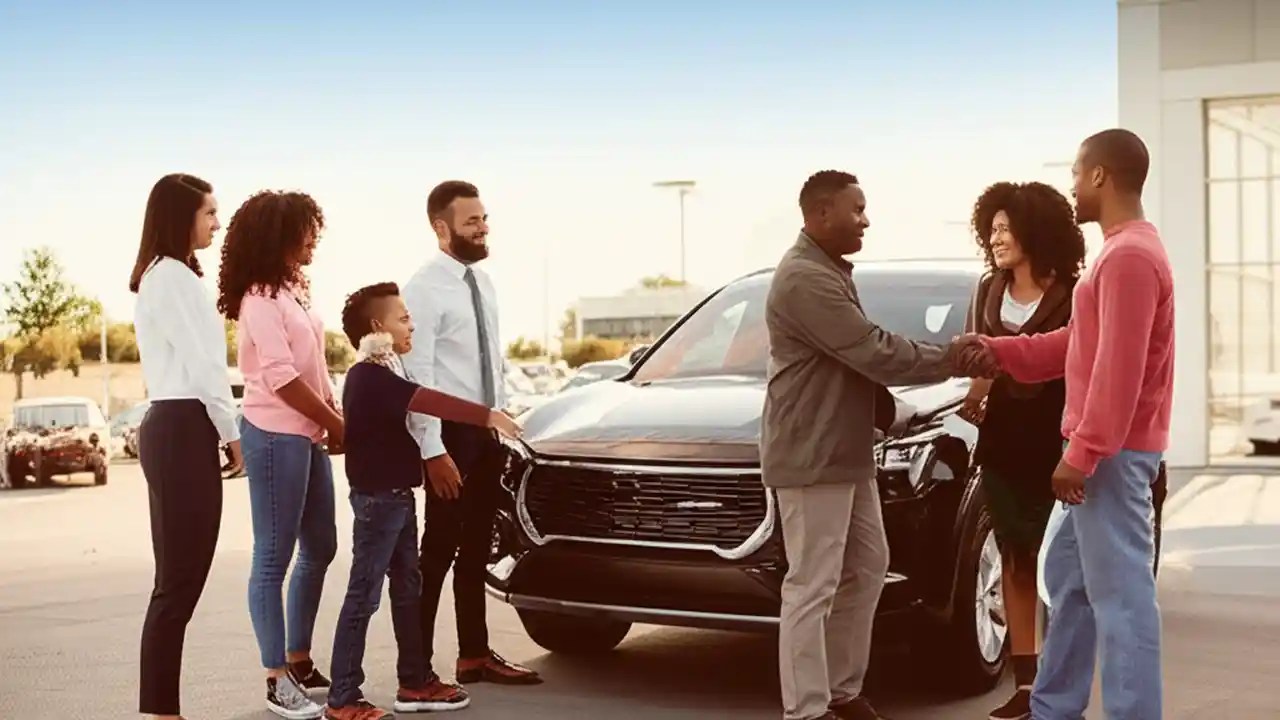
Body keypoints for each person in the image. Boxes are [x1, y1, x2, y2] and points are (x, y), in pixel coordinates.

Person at [761, 170, 990, 720]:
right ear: (821, 214)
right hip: (813, 455)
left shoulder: (829, 271)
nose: (866, 220)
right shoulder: (804, 279)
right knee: (811, 584)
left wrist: (889, 411)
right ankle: (806, 710)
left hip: (846, 451)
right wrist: (951, 357)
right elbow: (871, 350)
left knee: (867, 566)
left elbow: (847, 363)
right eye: (856, 209)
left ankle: (841, 692)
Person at [963, 129, 1174, 720]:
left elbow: (1118, 371)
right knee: (1068, 582)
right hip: (1103, 452)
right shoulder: (1118, 253)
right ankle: (1053, 706)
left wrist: (1081, 453)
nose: (1073, 185)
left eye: (1078, 173)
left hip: (1111, 458)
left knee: (1124, 602)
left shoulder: (1129, 258)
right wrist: (998, 351)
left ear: (1101, 176)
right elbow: (1075, 345)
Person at [324, 282, 524, 720]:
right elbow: (428, 402)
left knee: (407, 591)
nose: (411, 324)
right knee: (364, 596)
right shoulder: (370, 376)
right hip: (379, 505)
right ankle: (342, 698)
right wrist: (488, 415)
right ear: (377, 327)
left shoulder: (387, 371)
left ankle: (414, 683)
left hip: (398, 499)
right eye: (403, 318)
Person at [401, 180, 543, 693]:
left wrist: (498, 420)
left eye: (484, 219)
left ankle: (474, 656)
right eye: (472, 221)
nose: (483, 229)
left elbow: (491, 360)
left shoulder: (483, 283)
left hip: (484, 432)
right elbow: (417, 377)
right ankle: (415, 669)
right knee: (438, 549)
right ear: (442, 228)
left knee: (476, 548)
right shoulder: (423, 288)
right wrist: (432, 449)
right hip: (449, 436)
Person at [957, 181, 1086, 720]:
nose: (996, 238)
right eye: (991, 229)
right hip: (1003, 443)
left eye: (1006, 229)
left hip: (1056, 442)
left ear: (1035, 231)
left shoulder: (1074, 293)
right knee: (1015, 557)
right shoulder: (988, 289)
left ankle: (1058, 682)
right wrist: (974, 397)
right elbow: (980, 356)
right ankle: (1026, 685)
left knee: (1060, 566)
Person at [217, 190, 342, 720]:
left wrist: (333, 412)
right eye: (306, 231)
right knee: (273, 557)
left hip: (307, 435)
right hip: (274, 434)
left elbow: (314, 365)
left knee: (322, 546)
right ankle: (275, 679)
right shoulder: (259, 299)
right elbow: (281, 377)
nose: (314, 240)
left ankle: (298, 659)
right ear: (280, 236)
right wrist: (335, 422)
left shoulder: (293, 291)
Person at [131, 173, 244, 720]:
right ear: (182, 217)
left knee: (179, 580)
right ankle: (161, 712)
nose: (217, 223)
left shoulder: (169, 276)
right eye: (209, 213)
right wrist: (231, 431)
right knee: (178, 582)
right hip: (181, 424)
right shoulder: (172, 278)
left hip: (178, 425)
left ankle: (162, 709)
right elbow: (204, 366)